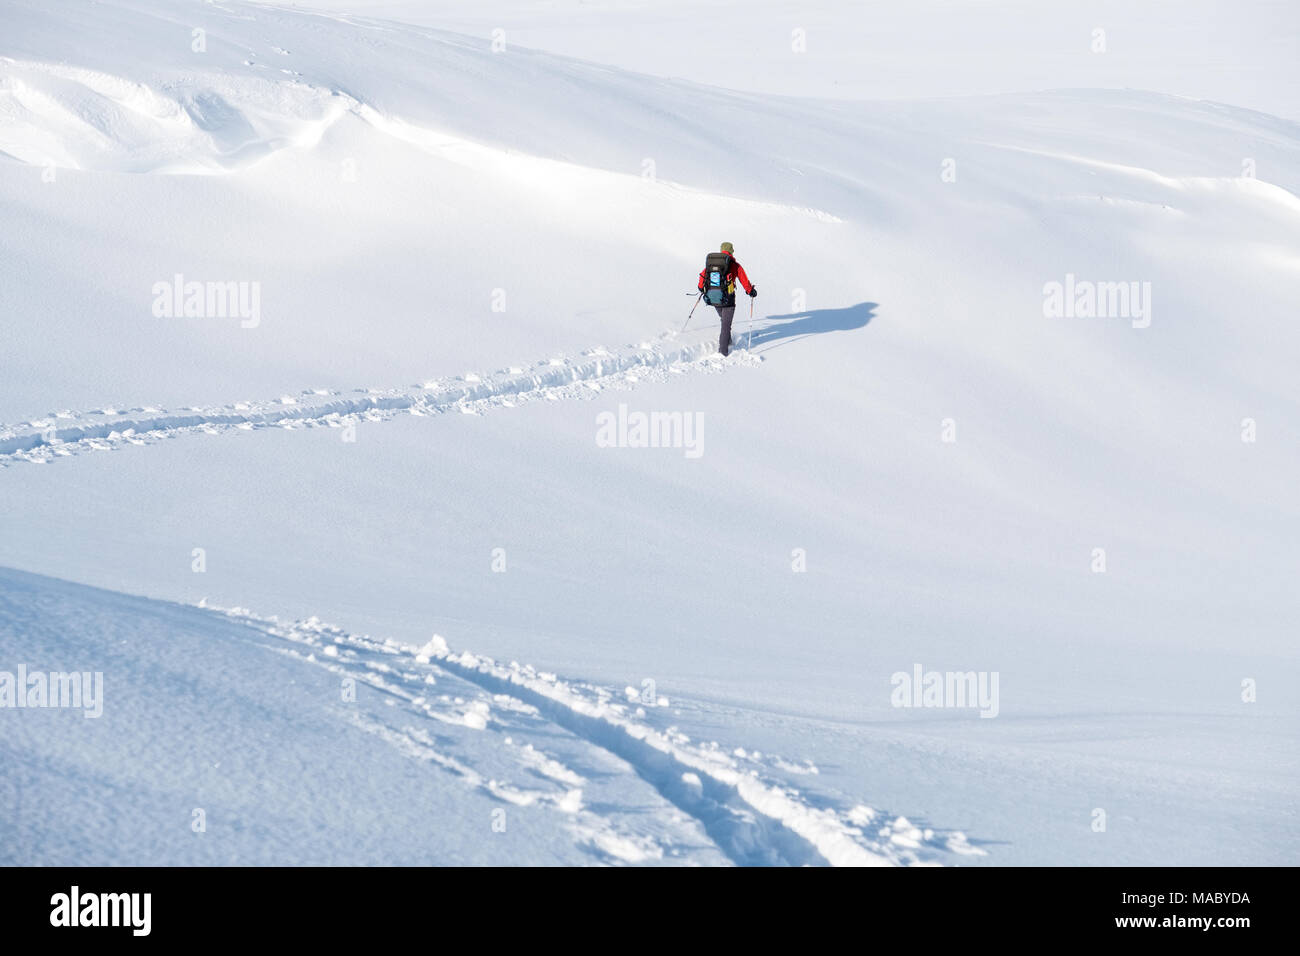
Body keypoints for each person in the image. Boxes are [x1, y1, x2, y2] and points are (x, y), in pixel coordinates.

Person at [697, 241, 756, 355]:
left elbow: (703, 275)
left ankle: (728, 341)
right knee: (725, 324)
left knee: (725, 321)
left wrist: (701, 288)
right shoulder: (734, 265)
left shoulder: (712, 262)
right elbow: (744, 280)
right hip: (728, 299)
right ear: (731, 251)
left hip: (713, 297)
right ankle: (723, 352)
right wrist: (751, 291)